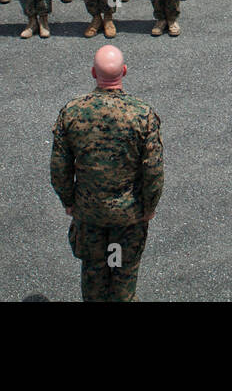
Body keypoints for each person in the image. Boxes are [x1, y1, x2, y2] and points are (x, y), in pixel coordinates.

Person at [51, 45, 164, 302]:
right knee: (124, 278)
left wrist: (68, 201)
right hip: (129, 215)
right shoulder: (142, 114)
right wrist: (150, 206)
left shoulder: (72, 112)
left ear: (93, 73)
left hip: (89, 214)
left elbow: (59, 166)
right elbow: (153, 170)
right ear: (124, 71)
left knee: (93, 275)